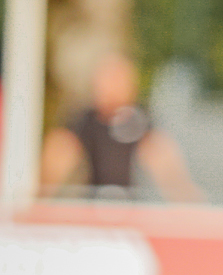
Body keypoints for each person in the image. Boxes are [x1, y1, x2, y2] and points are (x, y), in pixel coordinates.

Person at [39, 53, 203, 201]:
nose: (107, 86)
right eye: (105, 79)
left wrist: (190, 208)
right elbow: (57, 160)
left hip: (129, 208)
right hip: (93, 207)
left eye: (116, 79)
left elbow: (166, 167)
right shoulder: (84, 121)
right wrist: (38, 201)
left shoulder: (140, 119)